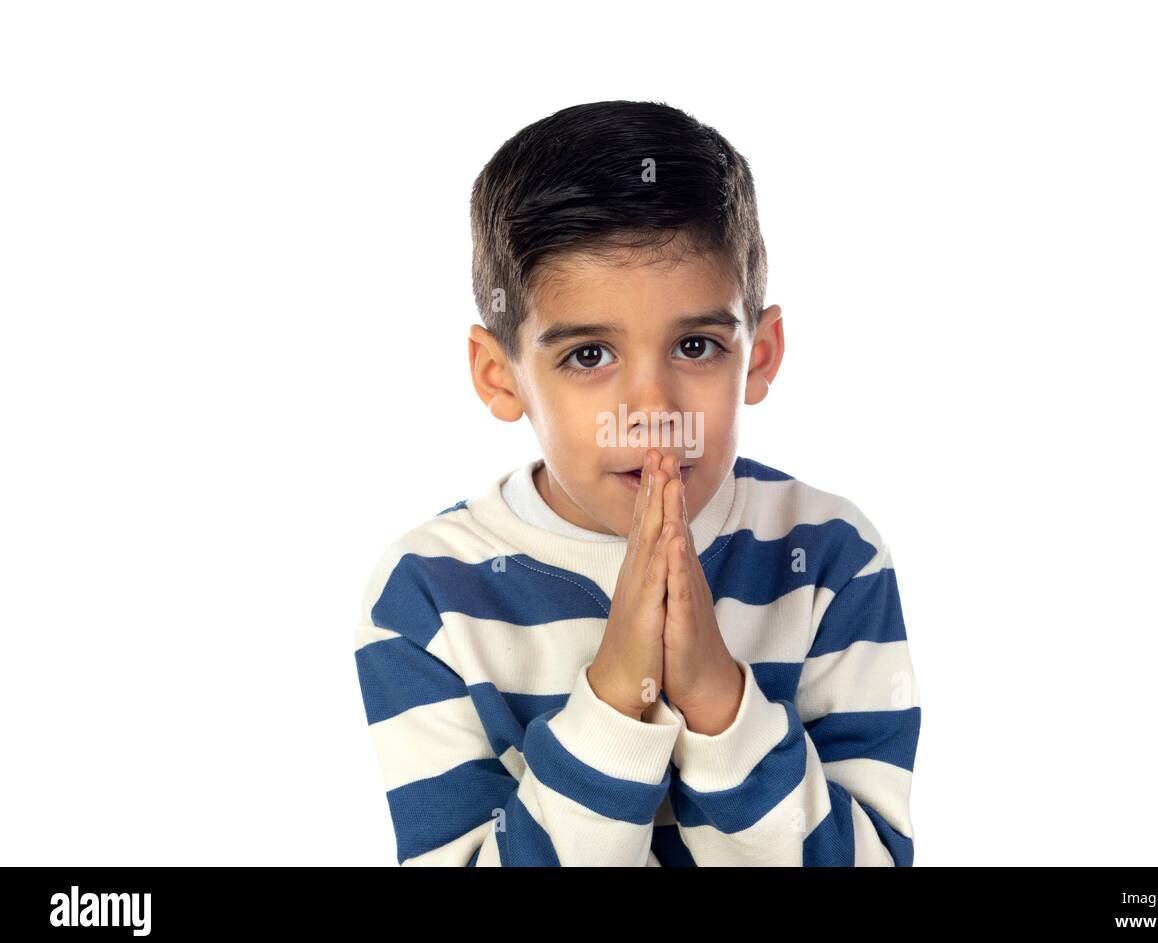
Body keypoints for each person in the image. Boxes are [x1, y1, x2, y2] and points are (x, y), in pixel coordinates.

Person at [351, 100, 921, 866]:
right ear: (500, 375)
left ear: (760, 354)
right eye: (589, 356)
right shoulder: (427, 597)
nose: (652, 411)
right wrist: (618, 697)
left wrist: (721, 701)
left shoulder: (829, 558)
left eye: (695, 344)